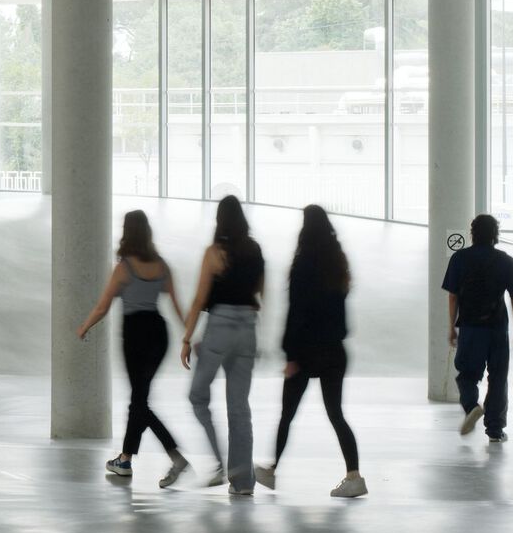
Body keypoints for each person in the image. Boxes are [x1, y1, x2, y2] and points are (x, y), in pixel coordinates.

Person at [256, 206, 366, 498]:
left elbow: (297, 313)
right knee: (336, 414)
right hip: (334, 350)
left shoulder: (303, 263)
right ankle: (354, 476)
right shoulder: (337, 263)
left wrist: (289, 353)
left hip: (305, 351)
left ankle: (271, 470)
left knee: (287, 414)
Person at [76, 209, 190, 487]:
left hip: (135, 334)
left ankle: (175, 455)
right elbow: (176, 305)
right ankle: (125, 459)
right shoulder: (162, 266)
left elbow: (103, 306)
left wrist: (84, 327)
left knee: (139, 401)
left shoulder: (124, 267)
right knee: (139, 399)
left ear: (127, 232)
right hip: (158, 333)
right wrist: (188, 336)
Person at [180, 196, 264, 495]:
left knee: (198, 396)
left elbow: (200, 298)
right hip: (247, 329)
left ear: (220, 221)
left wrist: (188, 338)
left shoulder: (214, 253)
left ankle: (218, 461)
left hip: (220, 325)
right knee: (239, 408)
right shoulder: (255, 250)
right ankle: (243, 482)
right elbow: (259, 294)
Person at [442, 213, 513, 441]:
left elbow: (452, 296)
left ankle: (471, 407)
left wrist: (451, 326)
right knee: (498, 378)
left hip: (471, 328)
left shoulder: (460, 259)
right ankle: (495, 431)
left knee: (467, 375)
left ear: (473, 233)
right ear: (495, 235)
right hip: (498, 329)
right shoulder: (506, 260)